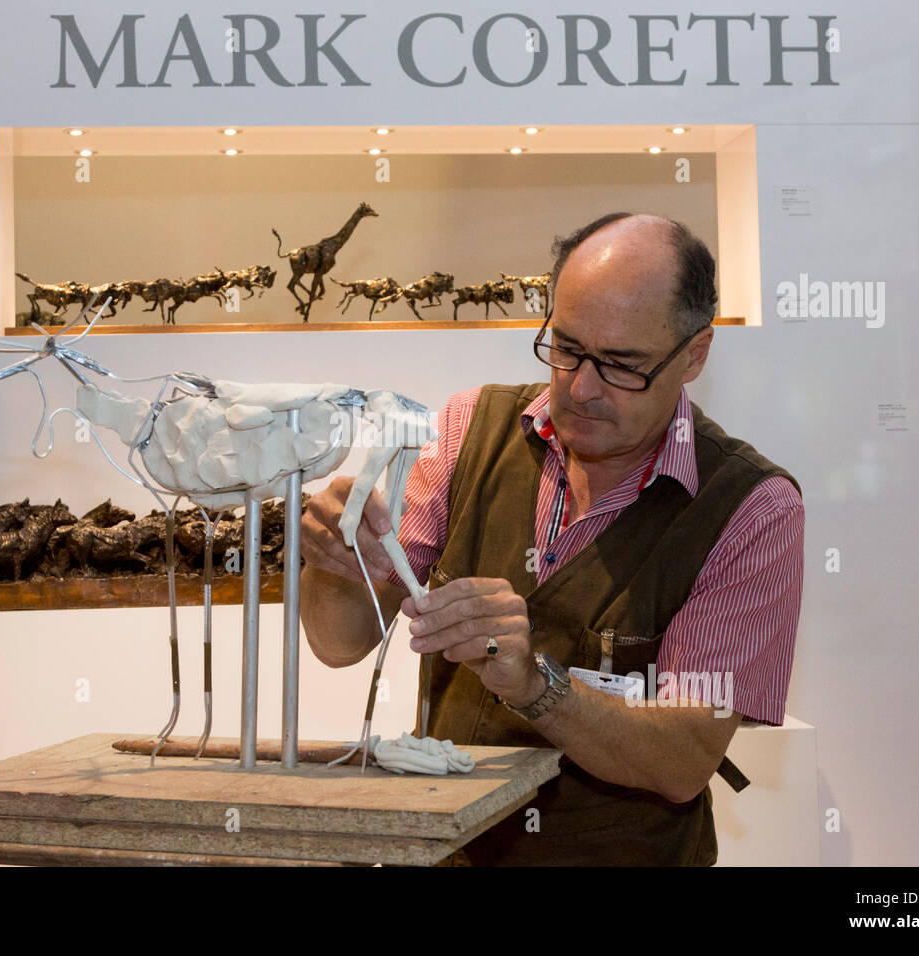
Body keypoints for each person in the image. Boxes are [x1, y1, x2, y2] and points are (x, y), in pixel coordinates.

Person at [299, 212, 804, 865]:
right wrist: (337, 562)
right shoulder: (466, 430)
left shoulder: (750, 510)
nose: (582, 388)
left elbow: (683, 759)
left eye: (623, 365)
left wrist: (535, 682)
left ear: (695, 354)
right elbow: (339, 643)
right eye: (566, 347)